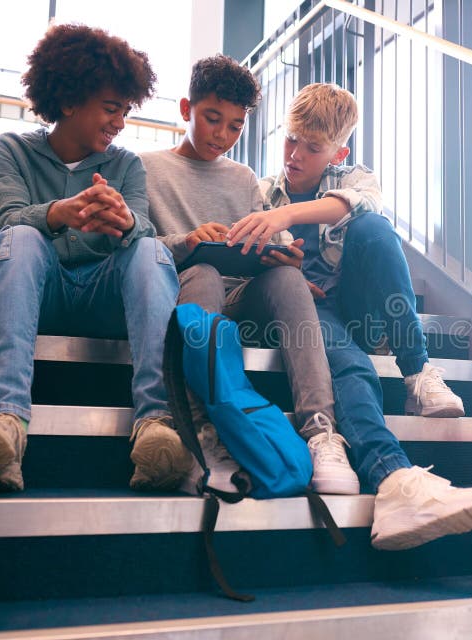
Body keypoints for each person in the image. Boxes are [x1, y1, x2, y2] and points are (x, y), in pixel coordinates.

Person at [226, 82, 472, 550]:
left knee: (375, 228)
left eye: (312, 148)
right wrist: (281, 263)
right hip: (307, 309)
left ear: (338, 152)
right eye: (290, 139)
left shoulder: (355, 177)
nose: (294, 154)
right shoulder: (260, 192)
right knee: (352, 367)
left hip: (359, 308)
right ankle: (394, 480)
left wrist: (287, 218)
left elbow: (361, 206)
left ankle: (417, 371)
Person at [0, 24, 190, 492]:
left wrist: (124, 219)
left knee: (149, 248)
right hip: (42, 293)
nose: (120, 122)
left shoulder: (127, 165)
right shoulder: (11, 149)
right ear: (69, 100)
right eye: (111, 108)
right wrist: (59, 214)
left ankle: (157, 423)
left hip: (107, 301)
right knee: (17, 239)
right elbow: (6, 221)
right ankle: (6, 420)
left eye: (125, 110)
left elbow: (143, 231)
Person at [140, 55, 359, 495]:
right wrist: (187, 241)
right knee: (202, 269)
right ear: (187, 110)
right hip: (184, 293)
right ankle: (204, 431)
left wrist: (283, 257)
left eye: (235, 126)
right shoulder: (146, 168)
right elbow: (134, 250)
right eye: (212, 119)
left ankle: (320, 432)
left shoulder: (244, 179)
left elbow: (262, 243)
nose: (222, 135)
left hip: (240, 296)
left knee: (288, 278)